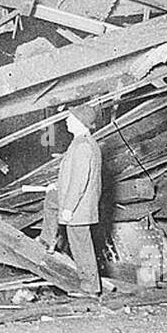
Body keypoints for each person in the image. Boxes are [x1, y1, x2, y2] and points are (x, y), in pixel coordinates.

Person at [40, 107, 103, 294]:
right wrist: (56, 187)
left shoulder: (83, 146)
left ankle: (90, 287)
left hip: (79, 206)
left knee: (81, 246)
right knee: (51, 200)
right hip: (76, 200)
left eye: (70, 118)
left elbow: (79, 181)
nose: (67, 121)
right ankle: (48, 239)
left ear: (80, 122)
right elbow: (71, 175)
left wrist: (68, 209)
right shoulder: (79, 142)